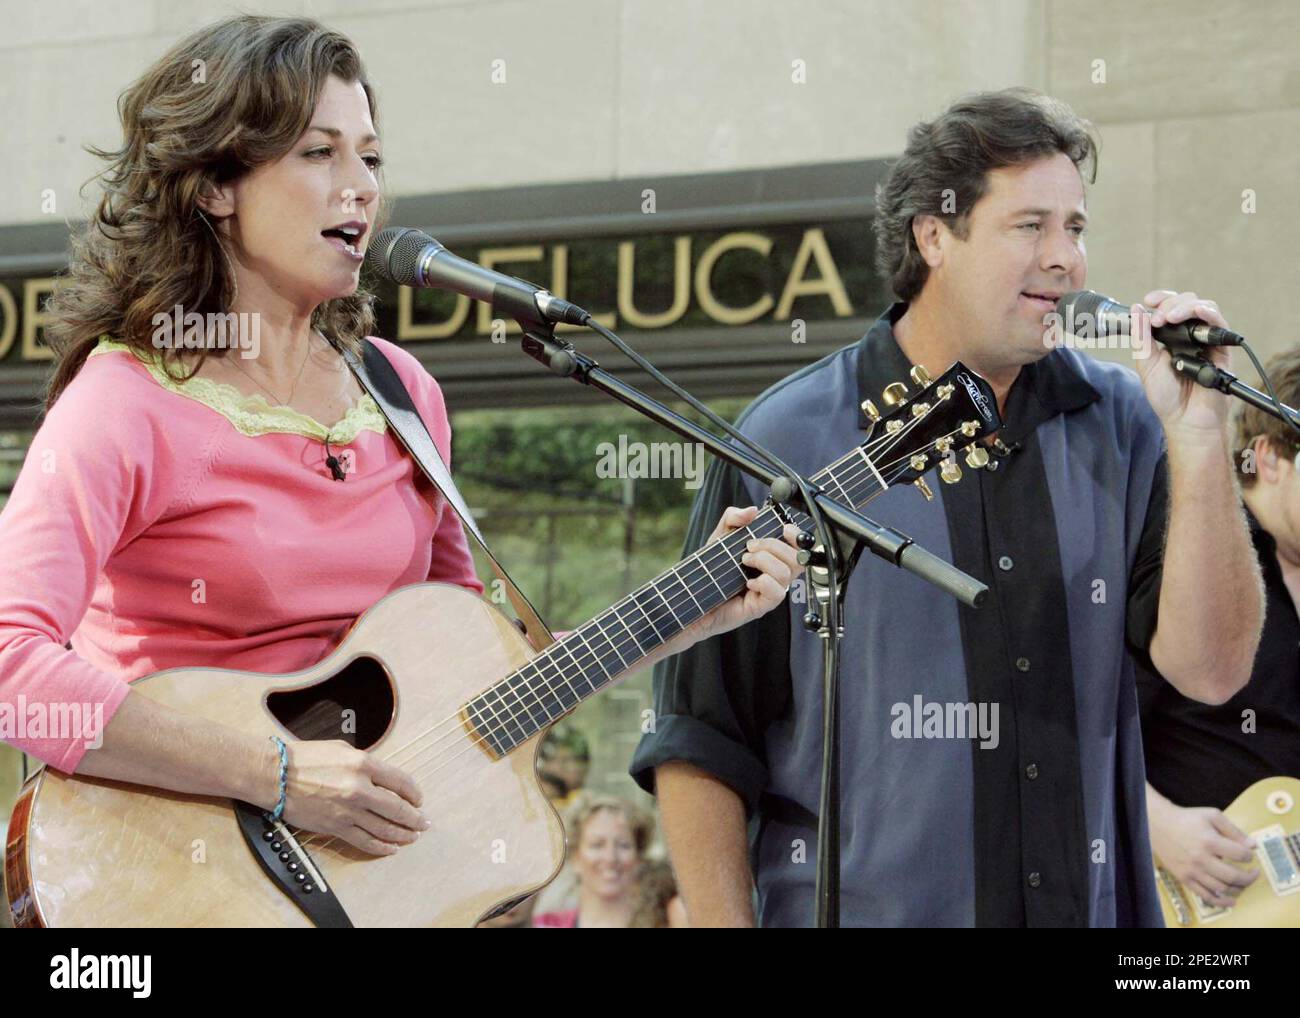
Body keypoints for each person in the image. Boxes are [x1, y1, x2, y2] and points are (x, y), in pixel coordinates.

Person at [0, 15, 801, 863]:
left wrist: (685, 615)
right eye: (320, 154)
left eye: (371, 158)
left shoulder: (402, 393)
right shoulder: (126, 400)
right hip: (170, 877)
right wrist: (279, 773)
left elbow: (482, 693)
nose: (362, 188)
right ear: (213, 185)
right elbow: (13, 666)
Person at [631, 87, 1264, 927]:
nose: (1067, 260)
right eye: (1029, 225)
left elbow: (1213, 670)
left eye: (1075, 228)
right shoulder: (789, 435)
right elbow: (700, 736)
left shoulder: (1124, 423)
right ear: (934, 235)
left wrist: (1197, 435)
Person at [1140, 348, 1300, 912]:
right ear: (1270, 459)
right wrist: (1155, 824)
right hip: (1182, 898)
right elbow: (1079, 726)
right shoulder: (1192, 560)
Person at [532, 792, 651, 928]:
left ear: (639, 858)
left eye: (623, 845)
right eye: (597, 845)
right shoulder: (548, 925)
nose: (610, 858)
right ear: (575, 857)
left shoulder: (666, 922)